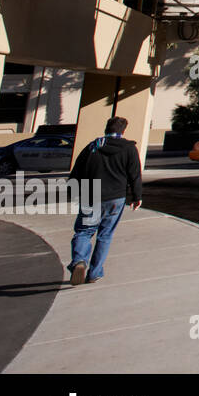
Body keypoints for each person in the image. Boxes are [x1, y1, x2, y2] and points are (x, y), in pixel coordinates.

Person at [67, 116, 143, 286]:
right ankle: (94, 273)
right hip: (115, 197)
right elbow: (135, 174)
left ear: (106, 129)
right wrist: (137, 196)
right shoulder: (129, 149)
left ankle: (79, 261)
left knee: (84, 232)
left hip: (90, 195)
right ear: (123, 131)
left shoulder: (93, 146)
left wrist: (73, 191)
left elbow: (77, 171)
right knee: (105, 235)